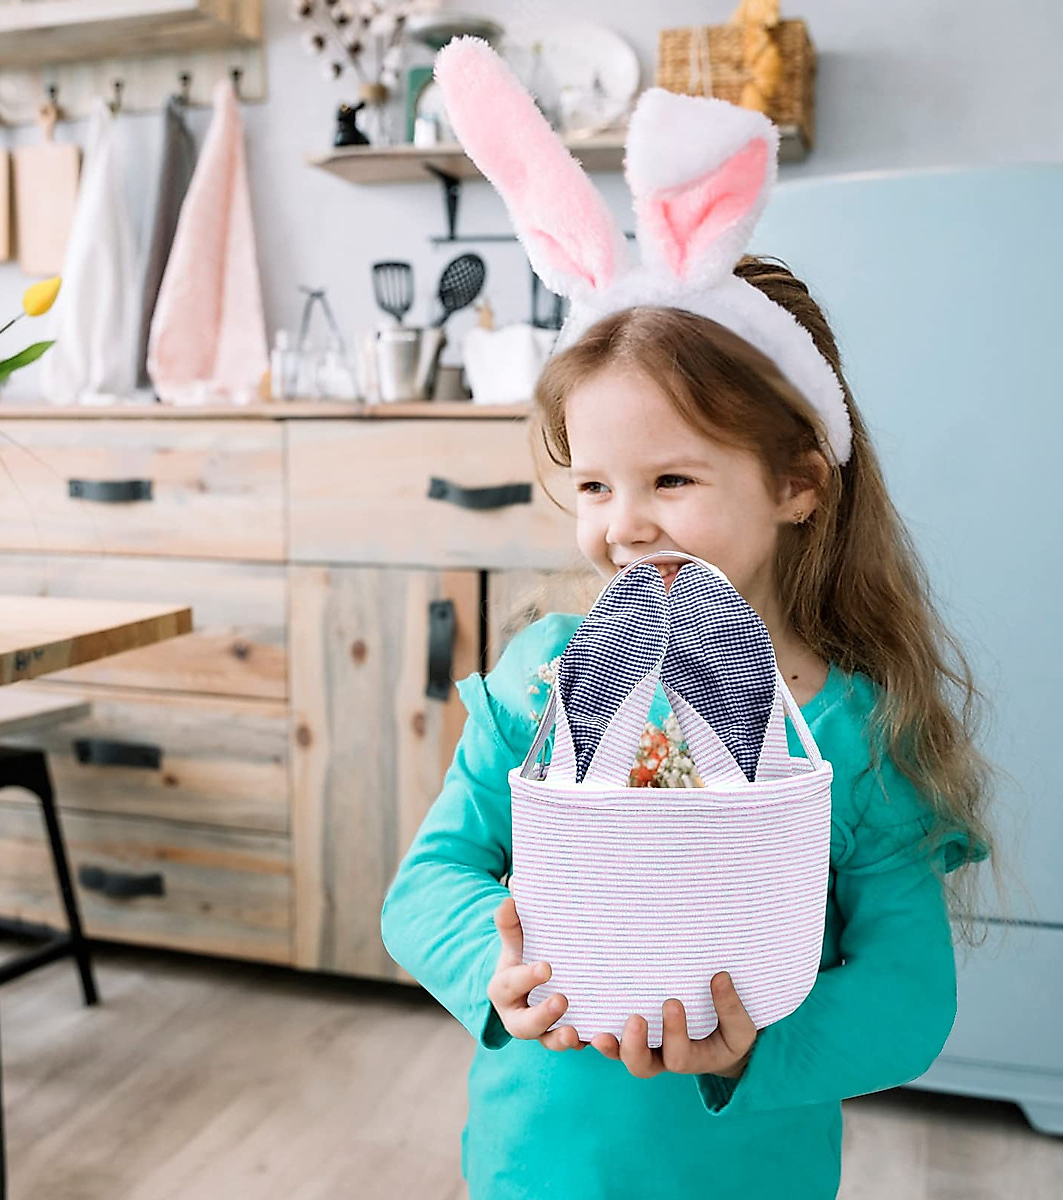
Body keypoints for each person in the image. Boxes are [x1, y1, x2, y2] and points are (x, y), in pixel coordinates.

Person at [381, 37, 996, 1199]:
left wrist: (762, 1049)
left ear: (797, 482)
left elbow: (910, 995)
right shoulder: (541, 679)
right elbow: (428, 882)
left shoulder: (851, 734)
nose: (625, 526)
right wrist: (493, 977)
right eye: (598, 486)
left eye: (672, 482)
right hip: (535, 1168)